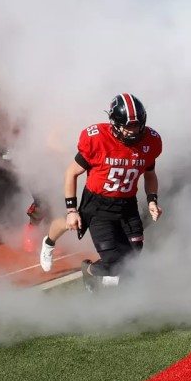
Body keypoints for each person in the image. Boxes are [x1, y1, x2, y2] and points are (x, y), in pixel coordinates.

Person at [62, 93, 162, 292]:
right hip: (98, 206)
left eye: (136, 125)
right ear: (114, 123)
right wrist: (71, 210)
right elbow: (71, 172)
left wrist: (152, 200)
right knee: (115, 263)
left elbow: (150, 174)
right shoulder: (97, 139)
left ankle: (120, 293)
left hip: (127, 205)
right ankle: (89, 270)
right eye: (128, 125)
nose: (133, 131)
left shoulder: (150, 141)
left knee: (133, 256)